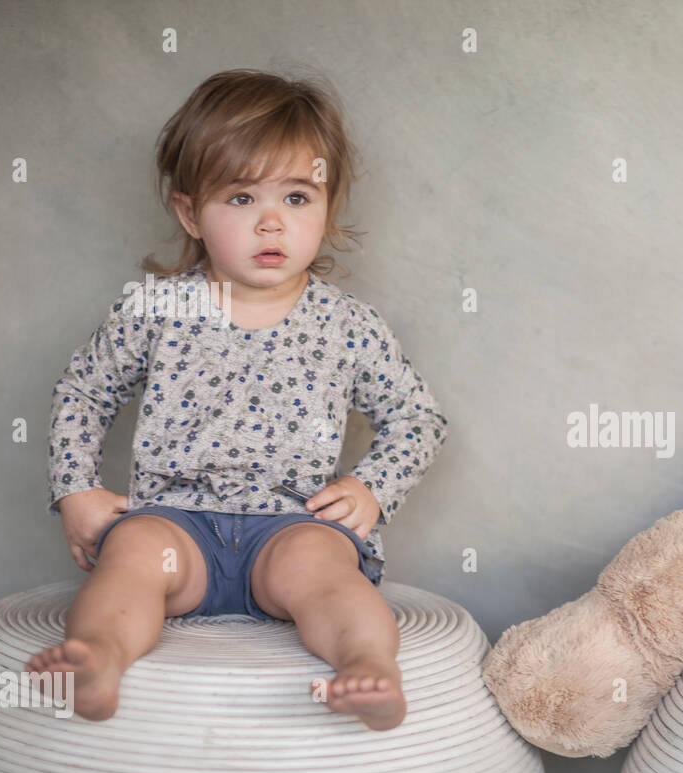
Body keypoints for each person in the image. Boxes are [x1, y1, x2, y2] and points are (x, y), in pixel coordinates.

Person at [34, 69, 447, 730]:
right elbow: (84, 390)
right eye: (242, 198)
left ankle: (369, 665)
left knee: (327, 572)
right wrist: (75, 487)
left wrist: (372, 489)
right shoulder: (157, 309)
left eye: (298, 196)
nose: (272, 221)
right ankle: (100, 657)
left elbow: (416, 417)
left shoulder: (349, 327)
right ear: (190, 212)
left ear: (329, 207)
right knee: (132, 556)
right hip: (179, 527)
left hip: (290, 528)